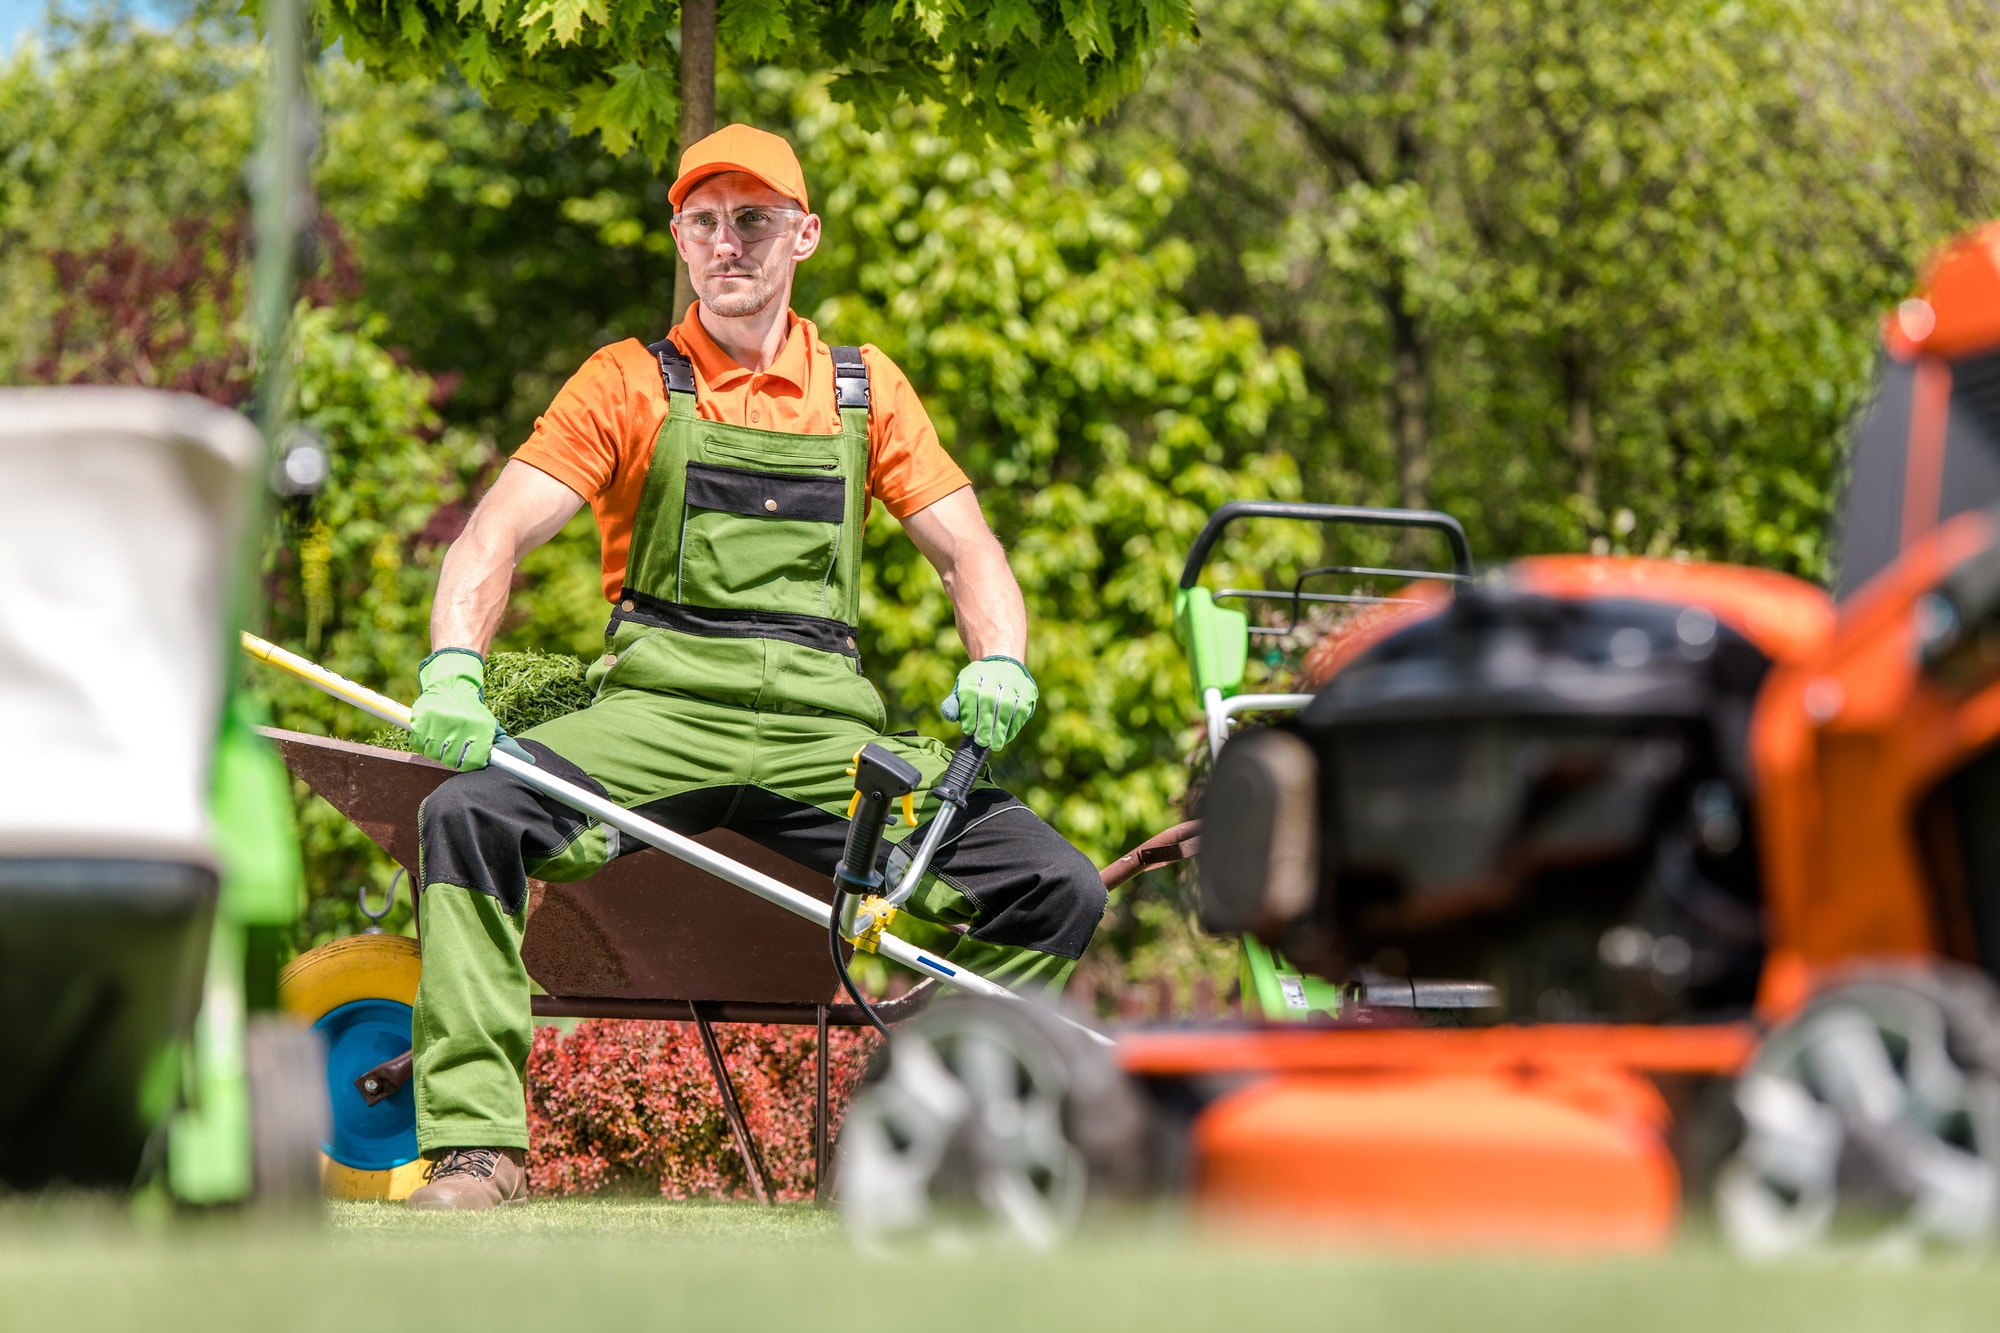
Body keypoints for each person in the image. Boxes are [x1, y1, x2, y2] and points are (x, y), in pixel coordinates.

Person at [399, 124, 1106, 1211]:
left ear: (803, 235)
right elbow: (490, 538)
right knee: (468, 815)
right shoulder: (628, 382)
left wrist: (999, 658)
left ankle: (917, 1121)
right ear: (679, 238)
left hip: (830, 735)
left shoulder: (865, 391)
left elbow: (970, 552)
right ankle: (478, 1146)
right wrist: (454, 664)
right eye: (704, 222)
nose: (727, 244)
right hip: (658, 714)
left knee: (1052, 885)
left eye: (754, 221)